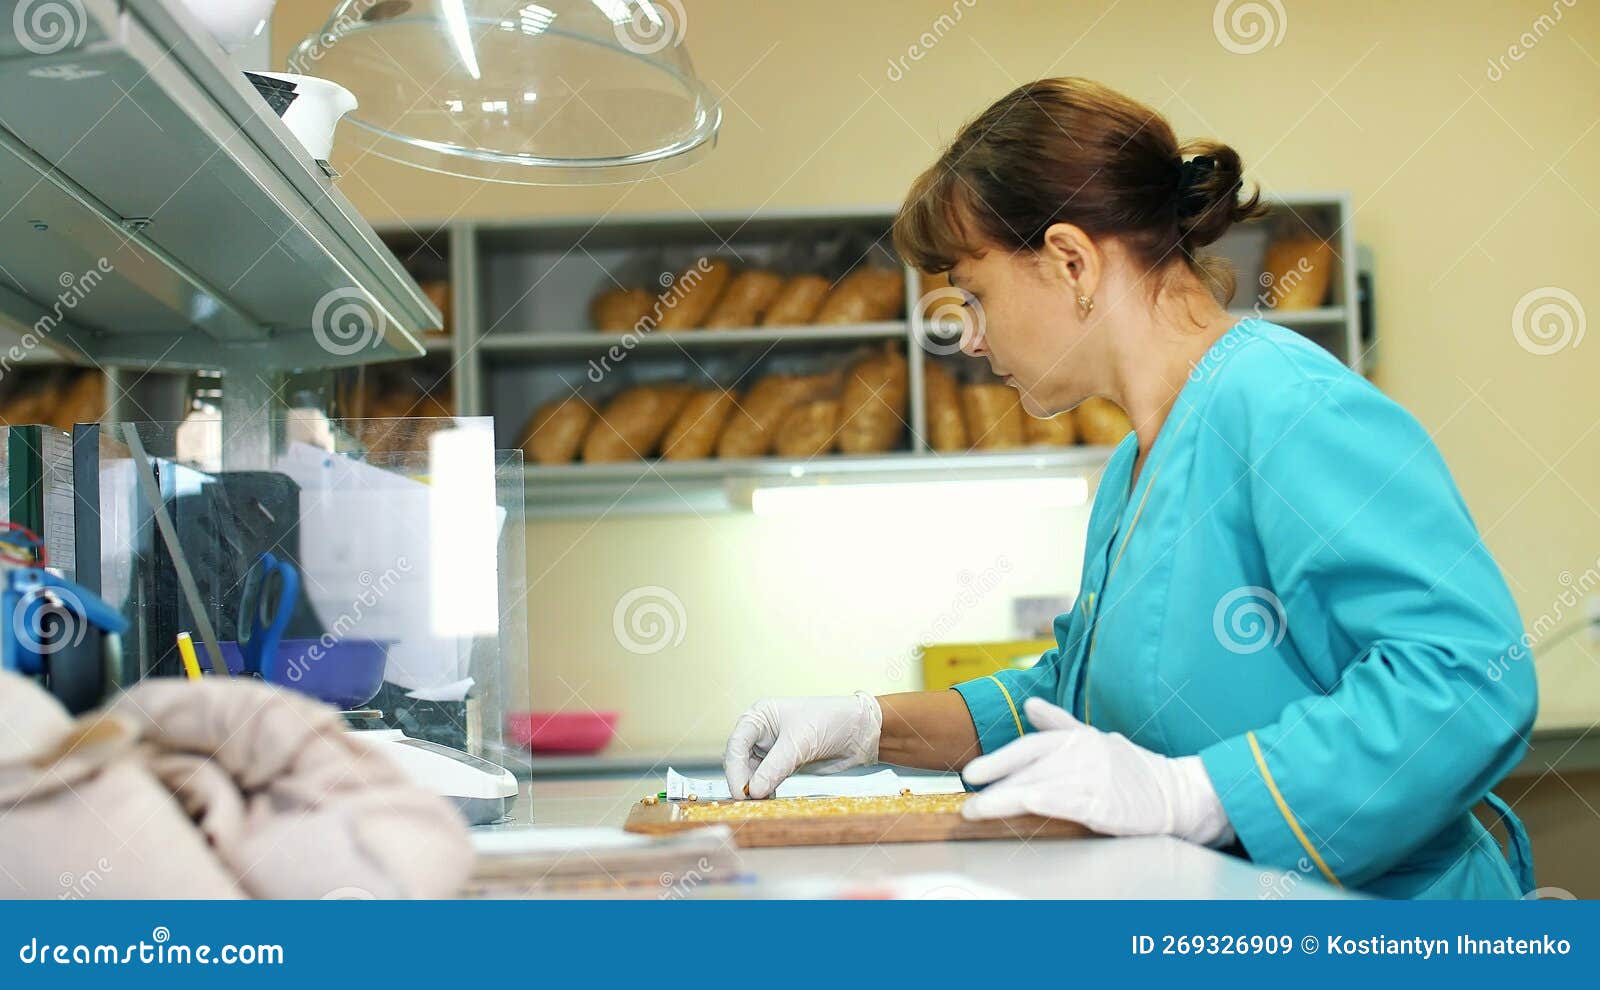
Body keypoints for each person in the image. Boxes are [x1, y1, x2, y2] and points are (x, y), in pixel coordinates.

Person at [722, 78, 1536, 900]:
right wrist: (868, 726)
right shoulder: (1133, 465)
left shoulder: (1284, 404)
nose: (966, 336)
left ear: (1071, 261)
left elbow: (1467, 676)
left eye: (975, 294)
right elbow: (1068, 695)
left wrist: (1197, 796)